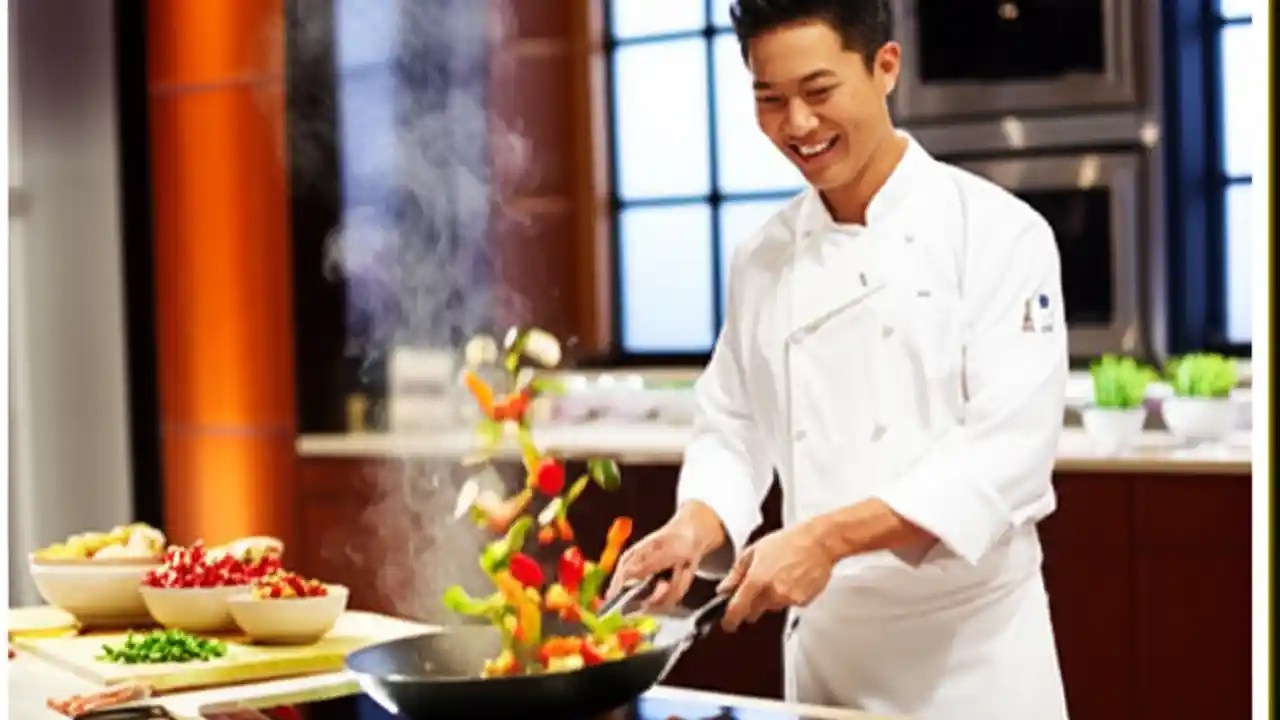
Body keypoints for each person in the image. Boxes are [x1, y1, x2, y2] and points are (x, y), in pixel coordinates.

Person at [606, 1, 1071, 718]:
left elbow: (1006, 456)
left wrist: (824, 537)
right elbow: (733, 424)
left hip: (974, 660)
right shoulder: (761, 258)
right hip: (831, 654)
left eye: (819, 93)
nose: (797, 125)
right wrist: (693, 528)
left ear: (885, 67)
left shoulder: (999, 233)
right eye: (770, 99)